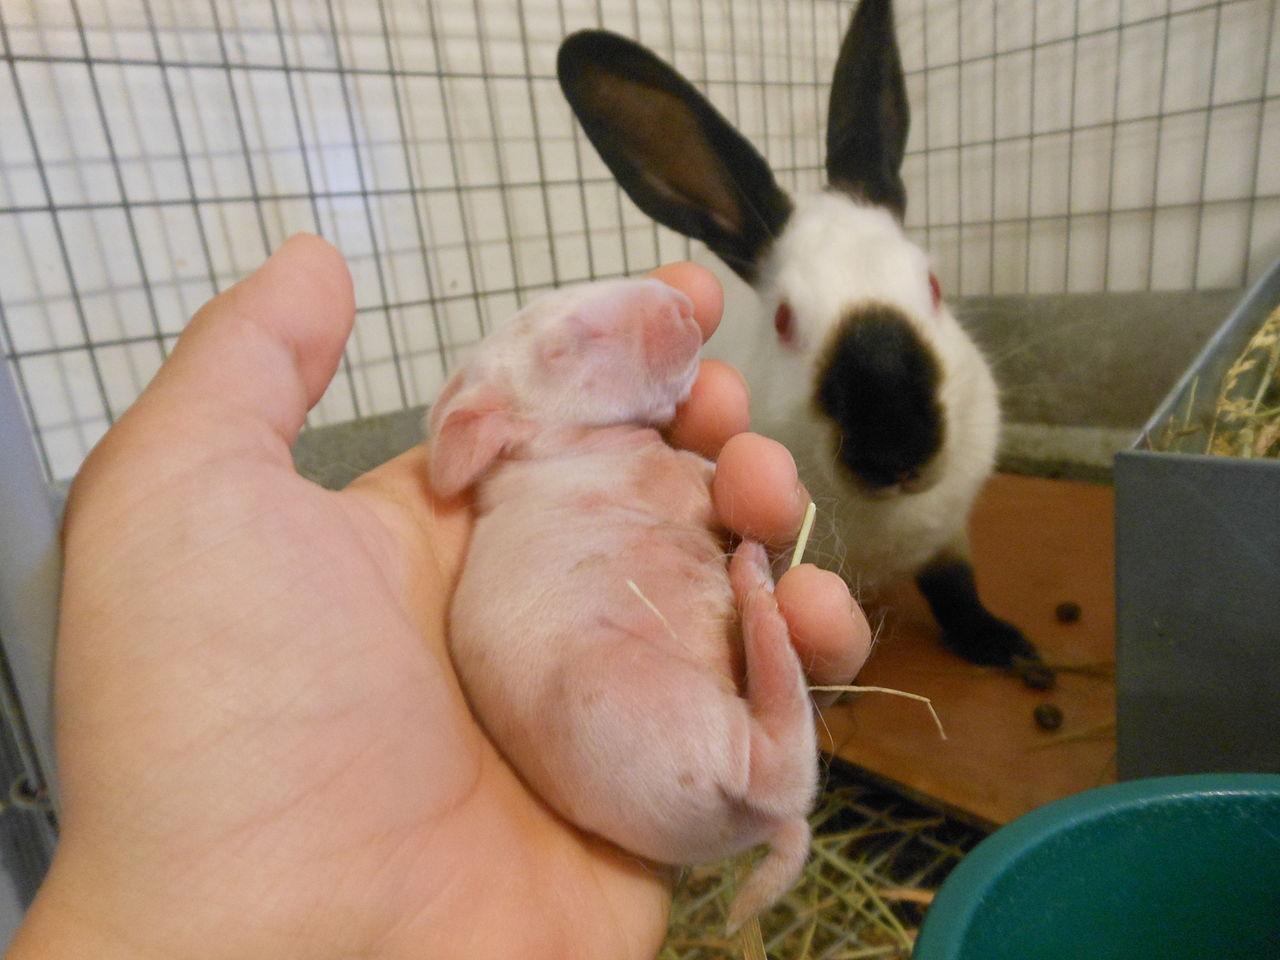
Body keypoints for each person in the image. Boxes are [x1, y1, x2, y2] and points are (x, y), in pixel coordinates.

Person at [9, 236, 871, 960]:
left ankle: (762, 766)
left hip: (663, 765)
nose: (668, 316)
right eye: (575, 349)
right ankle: (765, 764)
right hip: (669, 753)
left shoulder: (562, 488)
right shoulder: (525, 478)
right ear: (486, 428)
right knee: (623, 661)